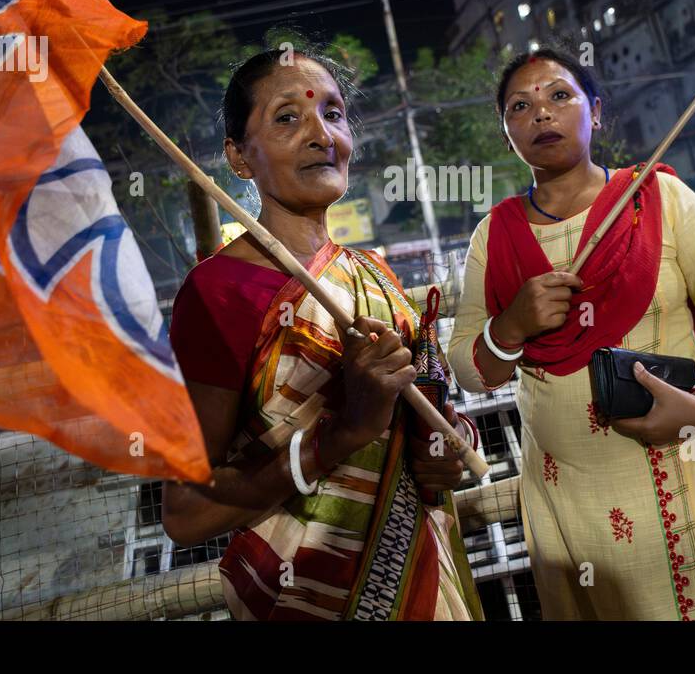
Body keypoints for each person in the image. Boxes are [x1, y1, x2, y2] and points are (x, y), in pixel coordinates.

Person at [447, 48, 695, 621]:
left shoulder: (656, 198)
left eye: (559, 96)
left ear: (595, 112)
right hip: (569, 502)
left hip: (685, 473)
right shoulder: (493, 237)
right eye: (520, 107)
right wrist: (512, 326)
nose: (542, 115)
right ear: (507, 135)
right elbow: (472, 372)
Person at [163, 47, 483, 621]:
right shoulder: (219, 294)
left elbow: (434, 418)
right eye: (287, 117)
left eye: (333, 114)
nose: (320, 134)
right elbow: (186, 512)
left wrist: (449, 447)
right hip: (305, 597)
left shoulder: (375, 275)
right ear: (239, 156)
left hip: (421, 581)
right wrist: (344, 434)